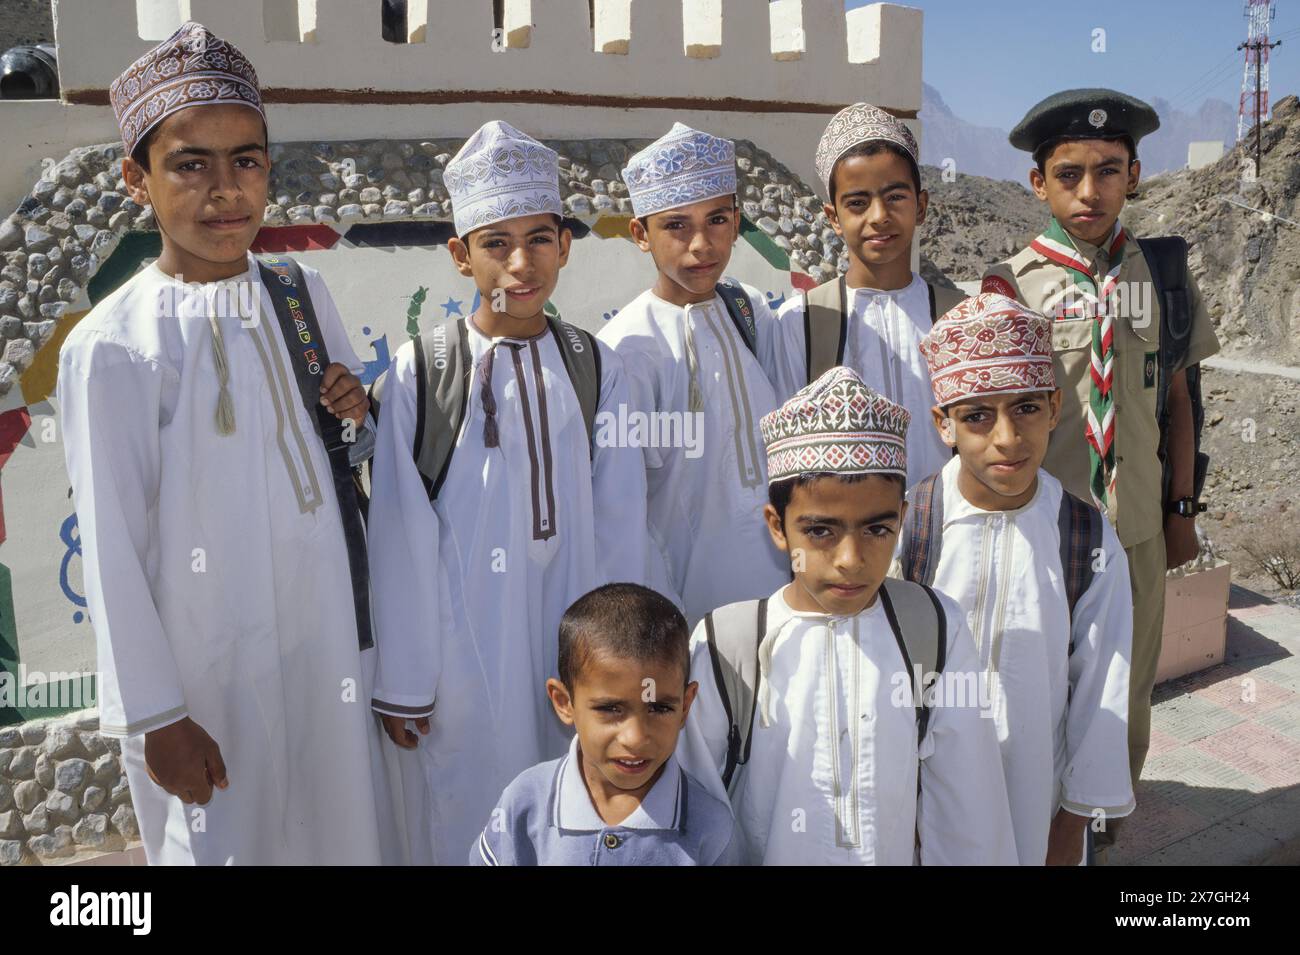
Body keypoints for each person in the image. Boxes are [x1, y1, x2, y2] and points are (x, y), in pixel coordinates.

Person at [58, 22, 389, 864]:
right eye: (190, 164)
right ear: (139, 179)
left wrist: (354, 412)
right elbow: (111, 547)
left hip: (325, 645)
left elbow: (348, 454)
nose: (225, 190)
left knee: (342, 831)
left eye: (247, 160)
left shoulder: (300, 290)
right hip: (206, 667)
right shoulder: (112, 343)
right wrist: (158, 714)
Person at [367, 121, 652, 864]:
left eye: (539, 238)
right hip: (464, 654)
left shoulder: (598, 367)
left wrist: (622, 660)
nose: (520, 263)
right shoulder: (421, 371)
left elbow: (622, 521)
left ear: (564, 242)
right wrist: (406, 680)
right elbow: (399, 533)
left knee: (576, 809)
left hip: (577, 640)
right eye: (496, 243)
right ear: (461, 255)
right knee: (468, 804)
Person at [678, 366, 1018, 864]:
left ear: (901, 518)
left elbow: (970, 816)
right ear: (777, 526)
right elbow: (694, 823)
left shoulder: (933, 628)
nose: (850, 559)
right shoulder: (725, 646)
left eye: (877, 530)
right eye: (820, 531)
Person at [981, 90, 1221, 793]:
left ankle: (1108, 824)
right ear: (1038, 183)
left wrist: (1182, 512)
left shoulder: (1164, 276)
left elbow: (1179, 401)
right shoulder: (1011, 289)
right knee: (1039, 697)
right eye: (1069, 173)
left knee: (1127, 695)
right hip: (1047, 533)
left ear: (1135, 174)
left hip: (1140, 530)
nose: (1091, 191)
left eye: (1109, 170)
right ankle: (1040, 821)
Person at [902, 292, 1135, 864]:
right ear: (944, 424)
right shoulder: (910, 527)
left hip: (1040, 801)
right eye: (978, 415)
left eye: (1025, 408)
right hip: (926, 804)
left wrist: (1072, 823)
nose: (1007, 438)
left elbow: (1103, 688)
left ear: (1055, 409)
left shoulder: (1085, 537)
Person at [597, 123, 789, 627]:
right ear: (641, 234)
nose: (702, 244)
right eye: (677, 225)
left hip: (786, 599)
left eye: (718, 220)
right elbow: (620, 509)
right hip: (685, 609)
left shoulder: (750, 313)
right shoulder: (627, 350)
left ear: (737, 222)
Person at [470, 583, 738, 866]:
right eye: (610, 709)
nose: (635, 738)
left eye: (659, 708)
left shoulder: (710, 828)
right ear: (564, 702)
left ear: (685, 706)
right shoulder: (524, 804)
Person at [771, 103, 966, 487]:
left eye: (895, 197)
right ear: (833, 218)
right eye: (858, 203)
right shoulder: (802, 322)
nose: (879, 216)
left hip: (952, 534)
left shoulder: (959, 316)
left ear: (921, 206)